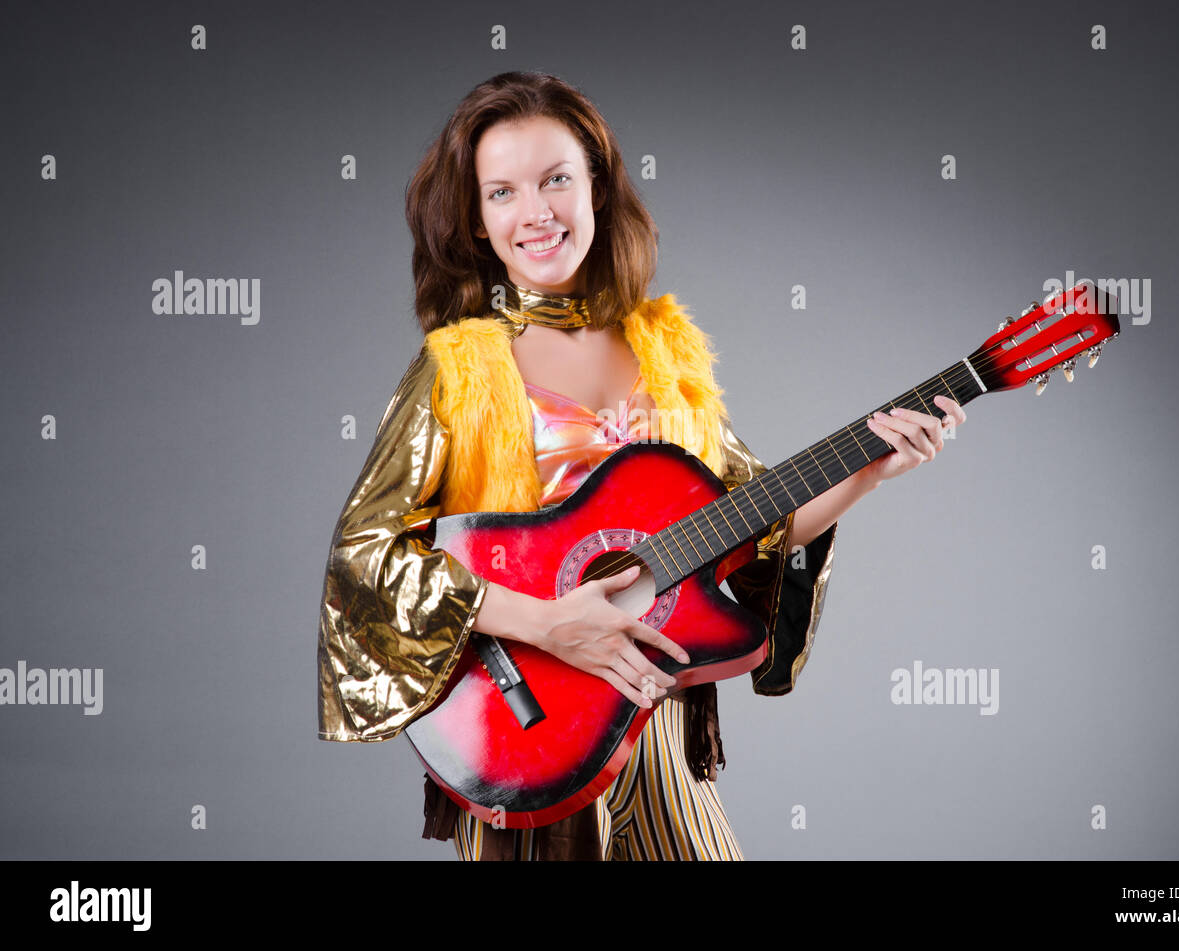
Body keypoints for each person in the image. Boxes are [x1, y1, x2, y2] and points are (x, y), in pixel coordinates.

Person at [316, 71, 968, 861]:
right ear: (478, 222)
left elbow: (749, 524)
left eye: (556, 179)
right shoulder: (456, 367)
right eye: (502, 192)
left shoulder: (667, 349)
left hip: (658, 722)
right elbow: (364, 561)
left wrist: (867, 472)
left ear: (596, 185)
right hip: (531, 730)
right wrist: (549, 623)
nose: (537, 212)